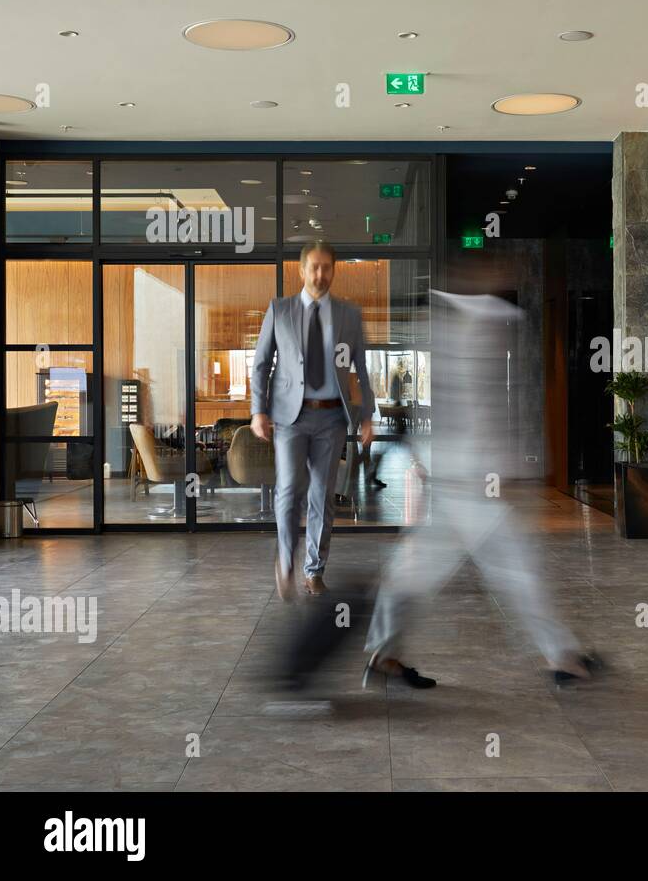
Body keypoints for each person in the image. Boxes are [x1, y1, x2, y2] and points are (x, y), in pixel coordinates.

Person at [361, 289, 602, 689]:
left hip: (459, 483)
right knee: (518, 572)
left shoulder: (458, 328)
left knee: (414, 571)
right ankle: (564, 657)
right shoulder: (473, 331)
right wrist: (505, 473)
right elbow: (477, 413)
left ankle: (384, 656)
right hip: (472, 487)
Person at [251, 242, 375, 601]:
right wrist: (259, 410)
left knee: (323, 496)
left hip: (333, 417)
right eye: (314, 268)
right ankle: (287, 560)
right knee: (289, 490)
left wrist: (366, 416)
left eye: (326, 268)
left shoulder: (349, 315)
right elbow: (261, 364)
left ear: (334, 271)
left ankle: (314, 570)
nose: (320, 274)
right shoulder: (280, 309)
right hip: (290, 417)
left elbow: (362, 370)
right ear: (301, 271)